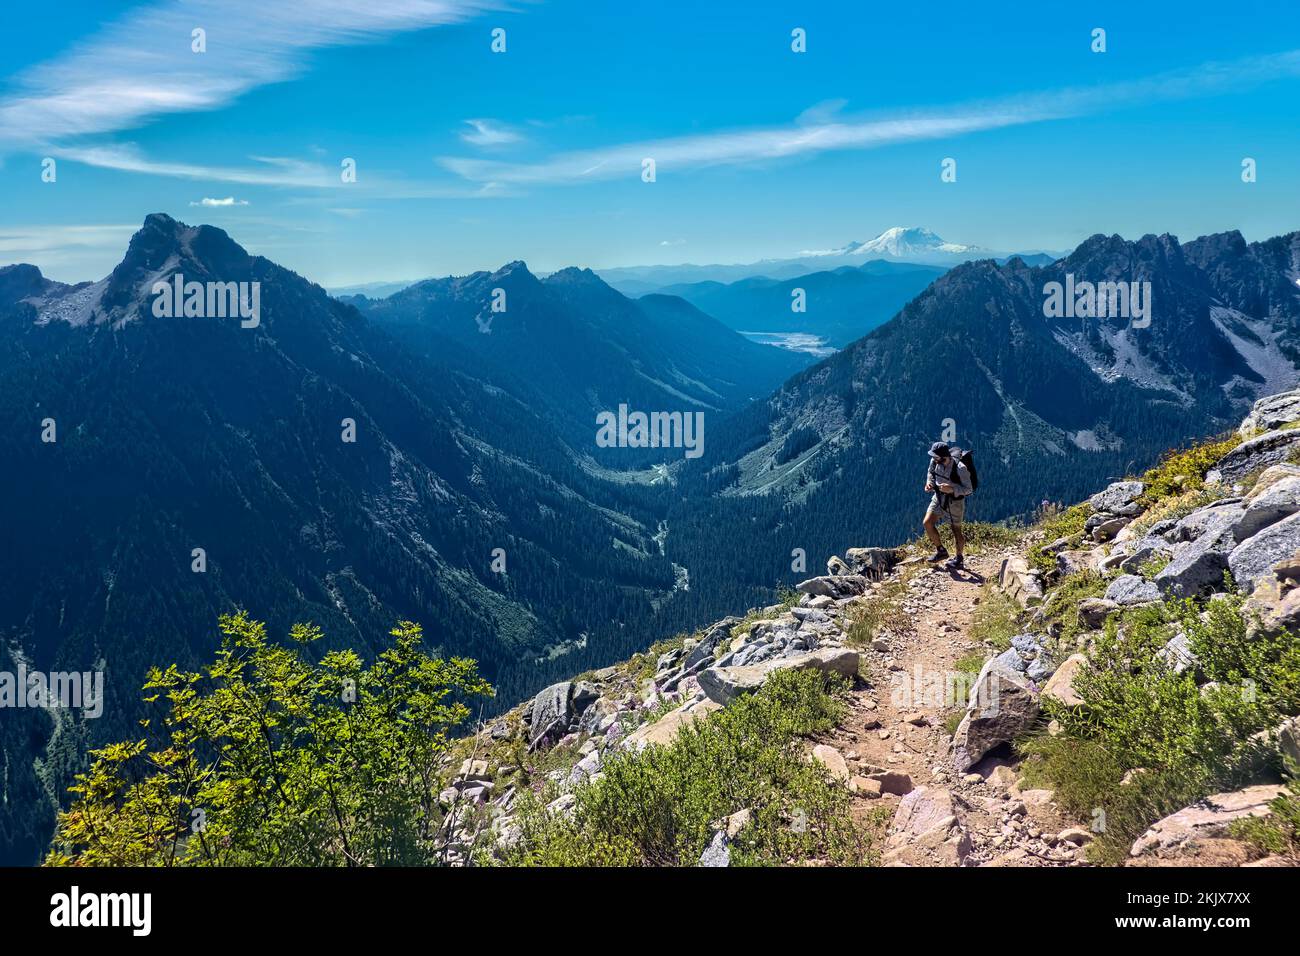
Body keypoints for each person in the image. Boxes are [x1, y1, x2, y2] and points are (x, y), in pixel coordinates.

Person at [923, 441, 973, 569]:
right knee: (927, 523)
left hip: (955, 503)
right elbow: (930, 473)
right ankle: (941, 551)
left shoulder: (960, 468)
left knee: (956, 531)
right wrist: (929, 483)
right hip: (939, 497)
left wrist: (952, 489)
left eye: (936, 456)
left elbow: (968, 489)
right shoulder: (935, 461)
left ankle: (959, 558)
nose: (933, 458)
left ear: (944, 456)